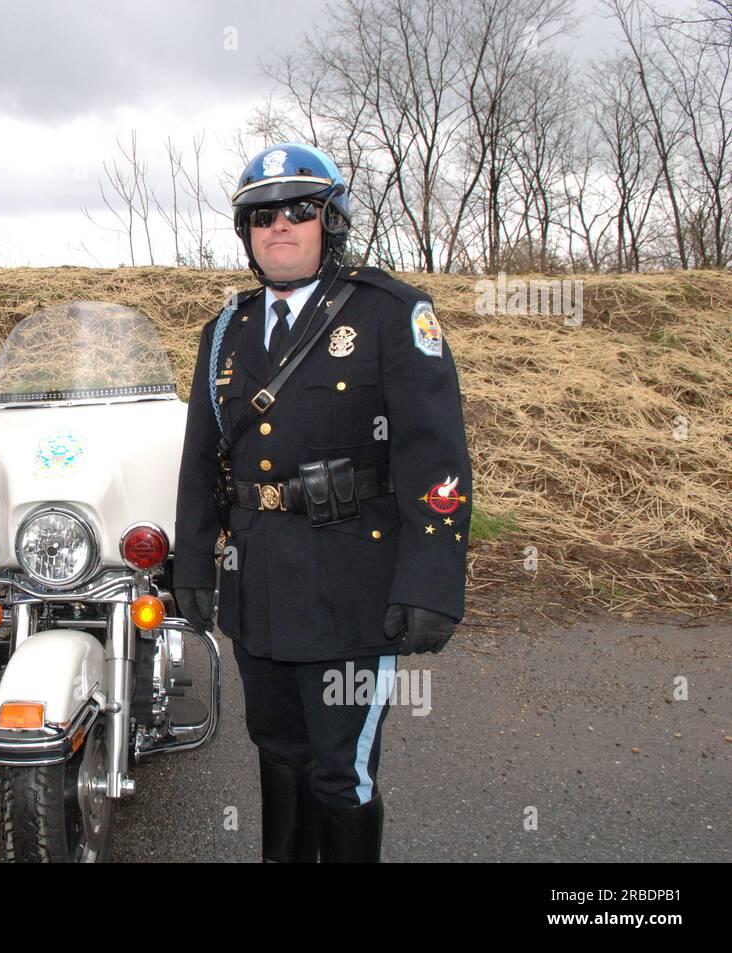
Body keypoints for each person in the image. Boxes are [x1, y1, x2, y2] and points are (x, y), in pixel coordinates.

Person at [174, 143, 471, 862]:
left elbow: (436, 463)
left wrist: (431, 582)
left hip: (353, 588)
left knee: (342, 769)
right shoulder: (224, 334)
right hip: (261, 587)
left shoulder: (390, 314)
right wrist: (193, 566)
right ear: (246, 233)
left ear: (330, 222)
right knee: (277, 749)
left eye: (300, 211)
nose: (281, 226)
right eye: (262, 215)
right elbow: (200, 460)